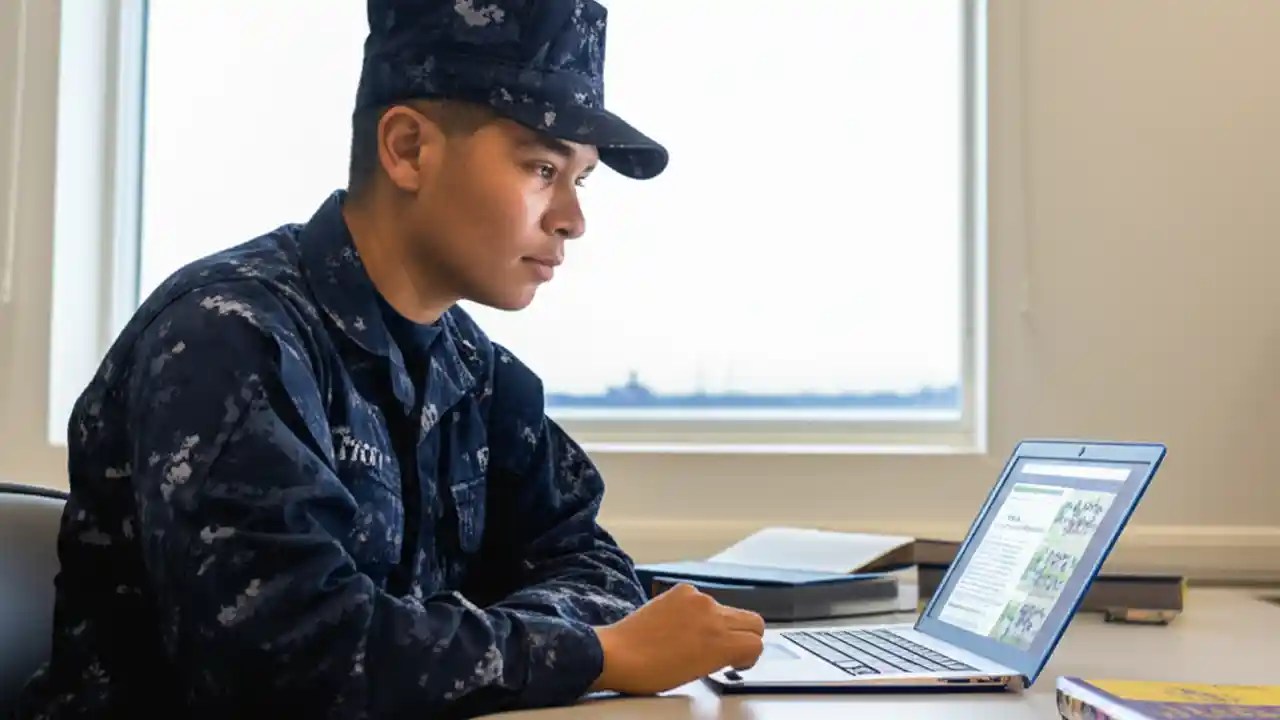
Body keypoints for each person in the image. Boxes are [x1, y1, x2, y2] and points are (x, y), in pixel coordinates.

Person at [15, 1, 765, 717]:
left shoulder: (474, 369)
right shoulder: (230, 338)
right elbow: (290, 661)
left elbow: (595, 571)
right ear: (408, 149)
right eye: (542, 169)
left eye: (581, 180)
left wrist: (527, 648)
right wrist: (586, 656)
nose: (572, 219)